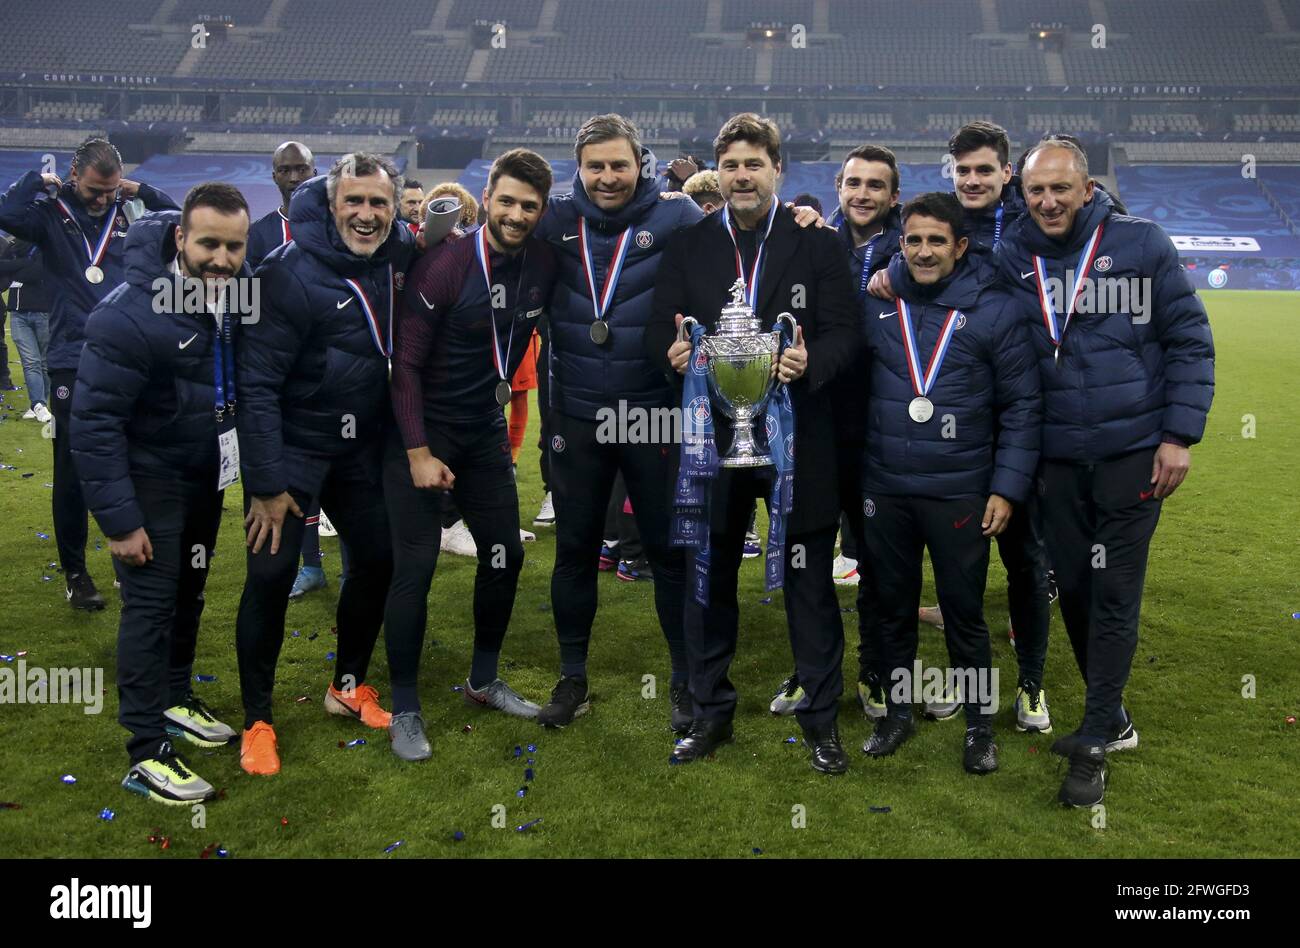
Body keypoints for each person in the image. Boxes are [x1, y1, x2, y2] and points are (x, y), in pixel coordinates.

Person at [997, 138, 1214, 806]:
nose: (1050, 201)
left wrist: (1178, 434)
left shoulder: (1142, 243)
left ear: (1087, 190)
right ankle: (1112, 716)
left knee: (1114, 589)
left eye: (1061, 188)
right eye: (1037, 190)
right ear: (1024, 195)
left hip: (1130, 453)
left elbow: (1188, 338)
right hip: (1056, 460)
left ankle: (1092, 740)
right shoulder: (1013, 255)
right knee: (1081, 593)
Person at [648, 113, 859, 773]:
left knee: (808, 583)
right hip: (713, 439)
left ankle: (822, 722)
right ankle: (710, 715)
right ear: (722, 170)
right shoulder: (690, 245)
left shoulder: (817, 244)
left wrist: (810, 363)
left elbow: (846, 332)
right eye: (732, 164)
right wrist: (675, 353)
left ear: (777, 171)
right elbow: (664, 327)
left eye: (755, 164)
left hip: (800, 440)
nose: (743, 175)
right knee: (706, 579)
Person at [235, 152, 415, 776]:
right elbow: (255, 385)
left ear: (394, 209)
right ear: (331, 204)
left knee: (376, 561)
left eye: (379, 204)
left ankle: (347, 685)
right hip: (292, 448)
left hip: (361, 446)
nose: (367, 216)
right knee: (269, 576)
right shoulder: (284, 271)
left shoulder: (398, 259)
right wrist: (265, 482)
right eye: (355, 203)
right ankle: (257, 719)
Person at [71, 183, 252, 804]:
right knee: (149, 609)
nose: (222, 259)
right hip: (150, 483)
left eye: (234, 246)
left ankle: (176, 695)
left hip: (205, 475)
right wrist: (120, 521)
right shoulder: (125, 313)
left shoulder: (238, 295)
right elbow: (93, 425)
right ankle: (145, 750)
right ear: (180, 238)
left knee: (190, 593)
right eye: (209, 244)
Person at [871, 122, 1055, 732]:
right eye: (912, 242)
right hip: (898, 481)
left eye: (985, 170)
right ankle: (901, 708)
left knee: (1006, 580)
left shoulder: (1028, 233)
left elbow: (1023, 405)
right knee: (895, 604)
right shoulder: (887, 294)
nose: (924, 249)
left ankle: (1020, 690)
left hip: (975, 475)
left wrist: (1006, 485)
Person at [532, 114, 706, 732]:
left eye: (619, 165)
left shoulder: (680, 216)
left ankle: (686, 682)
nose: (608, 177)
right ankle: (571, 678)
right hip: (576, 413)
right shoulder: (554, 221)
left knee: (667, 552)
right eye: (595, 166)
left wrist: (801, 217)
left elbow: (734, 261)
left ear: (641, 163)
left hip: (651, 412)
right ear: (578, 168)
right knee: (574, 551)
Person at [384, 148, 558, 760]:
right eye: (506, 201)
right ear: (486, 198)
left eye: (529, 206)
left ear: (541, 210)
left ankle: (483, 680)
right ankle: (404, 707)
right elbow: (403, 364)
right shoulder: (446, 265)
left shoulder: (543, 260)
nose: (516, 214)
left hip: (484, 429)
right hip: (425, 431)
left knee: (505, 554)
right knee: (415, 567)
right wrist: (417, 451)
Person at [0, 138, 179, 610]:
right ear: (73, 173)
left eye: (110, 190)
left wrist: (141, 191)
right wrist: (36, 180)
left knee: (138, 461)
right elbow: (6, 212)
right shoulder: (47, 214)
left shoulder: (128, 217)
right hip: (71, 359)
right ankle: (76, 573)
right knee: (73, 469)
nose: (102, 199)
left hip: (131, 357)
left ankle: (129, 561)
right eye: (95, 189)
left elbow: (181, 220)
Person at [770, 143, 902, 723]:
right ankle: (813, 668)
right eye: (854, 183)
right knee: (810, 552)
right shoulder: (810, 239)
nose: (863, 194)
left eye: (876, 185)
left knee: (879, 560)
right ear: (838, 186)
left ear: (893, 196)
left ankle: (876, 671)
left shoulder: (915, 247)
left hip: (887, 427)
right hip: (816, 423)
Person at [245, 141, 338, 601]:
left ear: (316, 171)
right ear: (274, 175)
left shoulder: (336, 230)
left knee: (340, 476)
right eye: (286, 169)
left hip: (333, 374)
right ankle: (307, 564)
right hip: (280, 376)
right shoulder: (259, 234)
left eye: (303, 168)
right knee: (292, 475)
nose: (296, 175)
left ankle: (343, 564)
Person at [0, 236, 52, 422]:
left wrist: (14, 268)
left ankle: (41, 403)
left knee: (44, 361)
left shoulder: (44, 245)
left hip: (42, 311)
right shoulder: (12, 246)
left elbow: (37, 272)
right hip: (17, 312)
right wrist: (24, 264)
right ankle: (38, 403)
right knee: (31, 361)